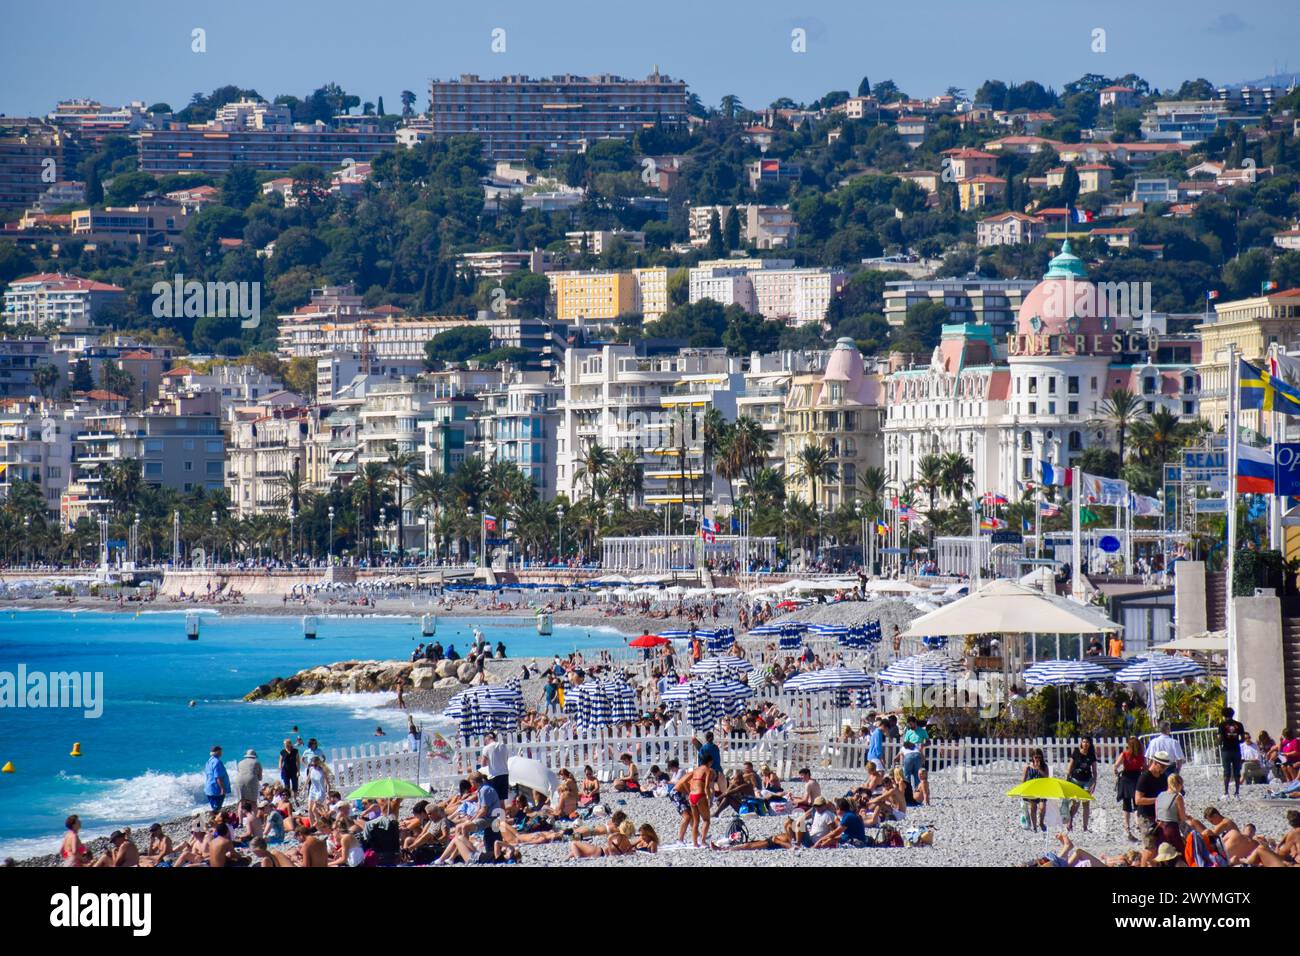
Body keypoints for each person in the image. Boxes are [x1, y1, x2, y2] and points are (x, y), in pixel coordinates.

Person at [1133, 750, 1173, 836]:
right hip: (1145, 817)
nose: (1164, 769)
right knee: (1150, 846)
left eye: (1166, 767)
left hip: (1160, 817)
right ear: (1155, 763)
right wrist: (1158, 799)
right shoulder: (1144, 777)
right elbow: (1138, 800)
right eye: (1163, 767)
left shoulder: (1163, 777)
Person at [1114, 736, 1146, 841]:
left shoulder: (1124, 754)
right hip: (1137, 778)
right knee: (1137, 803)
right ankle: (1137, 823)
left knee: (1126, 804)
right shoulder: (1141, 756)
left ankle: (1127, 827)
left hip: (1126, 779)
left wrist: (1116, 773)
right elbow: (1145, 768)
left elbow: (1116, 765)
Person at [1065, 736, 1098, 832]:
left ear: (1090, 744)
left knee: (1086, 803)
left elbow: (1094, 770)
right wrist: (1068, 779)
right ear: (1081, 743)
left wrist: (1094, 783)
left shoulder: (1091, 755)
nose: (1085, 744)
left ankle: (1085, 827)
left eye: (1087, 742)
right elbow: (1070, 767)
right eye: (1084, 742)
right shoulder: (1076, 752)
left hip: (1087, 780)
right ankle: (1069, 822)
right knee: (1075, 804)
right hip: (1075, 780)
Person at [1217, 706, 1246, 798]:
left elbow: (1220, 738)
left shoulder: (1222, 725)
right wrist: (1237, 741)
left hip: (1226, 749)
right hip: (1236, 749)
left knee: (1227, 771)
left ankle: (1226, 793)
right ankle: (1237, 792)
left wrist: (1219, 743)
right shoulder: (1239, 725)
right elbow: (1243, 738)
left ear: (1223, 715)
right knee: (1237, 770)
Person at [1154, 773, 1188, 849]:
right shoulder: (1177, 797)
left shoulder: (1160, 795)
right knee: (1180, 853)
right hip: (1171, 829)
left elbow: (1157, 815)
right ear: (1179, 784)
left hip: (1160, 829)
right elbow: (1182, 818)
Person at [1021, 749, 1049, 833]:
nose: (1037, 759)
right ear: (1032, 757)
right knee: (1033, 808)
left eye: (1039, 757)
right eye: (1035, 757)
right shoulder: (1028, 767)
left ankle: (1041, 822)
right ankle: (1034, 826)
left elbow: (1046, 777)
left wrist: (1039, 769)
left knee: (1042, 807)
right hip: (1031, 790)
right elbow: (1023, 780)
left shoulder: (1044, 766)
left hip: (1041, 789)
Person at [481, 732, 510, 800]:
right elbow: (506, 758)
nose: (484, 742)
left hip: (494, 776)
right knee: (502, 800)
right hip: (505, 774)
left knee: (495, 800)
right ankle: (502, 811)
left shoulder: (486, 748)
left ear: (487, 738)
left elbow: (483, 764)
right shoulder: (503, 745)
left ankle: (496, 811)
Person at [203, 745, 230, 812]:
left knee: (215, 808)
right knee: (217, 809)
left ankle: (214, 820)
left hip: (209, 788)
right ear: (217, 752)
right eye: (220, 751)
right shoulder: (217, 762)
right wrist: (222, 789)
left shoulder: (208, 762)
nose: (221, 753)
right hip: (216, 789)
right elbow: (218, 777)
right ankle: (214, 820)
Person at [278, 739, 300, 804]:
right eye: (284, 744)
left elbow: (298, 762)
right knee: (286, 786)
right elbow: (280, 761)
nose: (285, 746)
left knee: (295, 785)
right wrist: (280, 767)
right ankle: (287, 799)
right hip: (285, 771)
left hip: (294, 770)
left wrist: (298, 771)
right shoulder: (282, 752)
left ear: (290, 744)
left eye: (287, 744)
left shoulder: (295, 751)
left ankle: (295, 799)